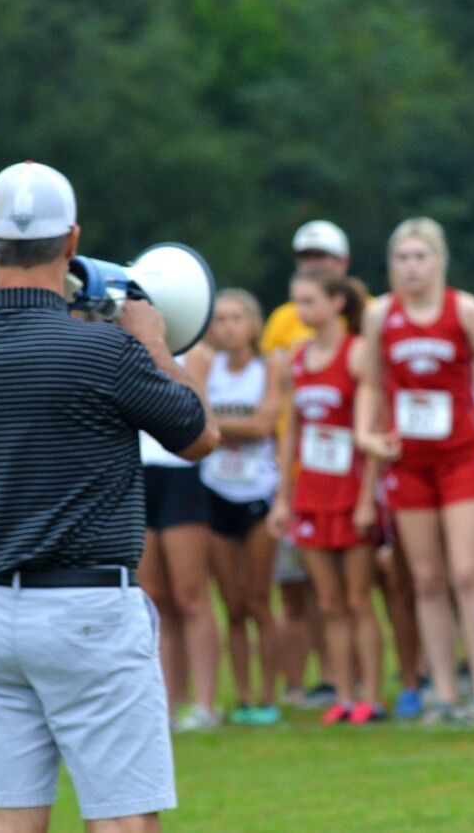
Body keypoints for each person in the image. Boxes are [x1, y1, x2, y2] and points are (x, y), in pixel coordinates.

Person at [0, 161, 216, 830]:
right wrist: (150, 343)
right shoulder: (105, 355)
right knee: (121, 818)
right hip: (86, 608)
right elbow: (200, 434)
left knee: (11, 817)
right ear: (72, 240)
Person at [356, 217, 474, 724]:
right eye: (402, 258)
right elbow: (371, 383)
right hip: (407, 461)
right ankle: (443, 690)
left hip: (462, 456)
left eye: (421, 257)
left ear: (439, 261)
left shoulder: (464, 311)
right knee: (425, 577)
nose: (412, 268)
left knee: (467, 571)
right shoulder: (380, 315)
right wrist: (365, 433)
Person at [268, 269, 386, 724]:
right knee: (329, 603)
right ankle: (341, 693)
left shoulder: (357, 354)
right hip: (312, 493)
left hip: (350, 490)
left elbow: (371, 429)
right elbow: (293, 431)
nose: (301, 311)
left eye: (310, 301)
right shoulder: (297, 359)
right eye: (297, 302)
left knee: (359, 601)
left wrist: (367, 498)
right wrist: (284, 499)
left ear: (337, 302)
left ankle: (372, 696)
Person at [260, 220, 350, 710]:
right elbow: (278, 400)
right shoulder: (281, 321)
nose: (312, 264)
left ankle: (354, 677)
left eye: (322, 256)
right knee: (300, 587)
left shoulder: (363, 316)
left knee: (353, 590)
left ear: (343, 265)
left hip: (348, 477)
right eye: (305, 256)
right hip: (297, 474)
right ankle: (313, 681)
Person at [201, 289, 285, 727]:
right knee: (230, 604)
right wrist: (226, 427)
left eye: (237, 318)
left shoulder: (268, 367)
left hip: (257, 492)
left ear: (254, 325)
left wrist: (216, 425)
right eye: (220, 319)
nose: (227, 326)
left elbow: (263, 425)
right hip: (215, 491)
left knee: (258, 600)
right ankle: (244, 696)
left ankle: (269, 695)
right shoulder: (206, 366)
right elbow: (196, 419)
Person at [137, 347, 220, 733]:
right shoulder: (116, 345)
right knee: (154, 598)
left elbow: (196, 413)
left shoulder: (195, 352)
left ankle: (204, 703)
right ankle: (167, 703)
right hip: (137, 471)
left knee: (191, 595)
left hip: (180, 473)